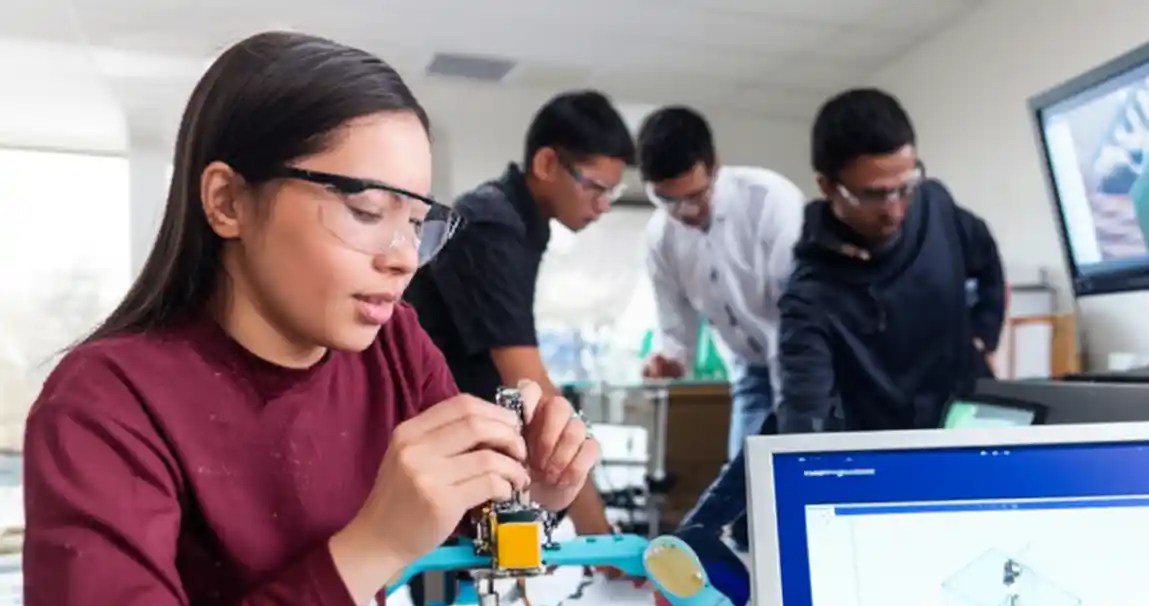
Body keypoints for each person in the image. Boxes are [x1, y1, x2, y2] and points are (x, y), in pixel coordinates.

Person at [21, 32, 598, 606]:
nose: (403, 257)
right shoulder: (105, 404)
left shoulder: (392, 346)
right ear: (229, 201)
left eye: (417, 222)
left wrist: (531, 490)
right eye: (365, 211)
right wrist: (370, 547)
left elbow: (458, 529)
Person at [677, 87, 1006, 547]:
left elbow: (986, 257)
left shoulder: (935, 204)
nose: (895, 208)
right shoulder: (810, 297)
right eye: (874, 195)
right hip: (893, 479)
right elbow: (799, 425)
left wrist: (983, 335)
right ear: (828, 186)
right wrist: (704, 527)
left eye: (904, 185)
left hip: (971, 435)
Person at [405, 90, 634, 539]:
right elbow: (527, 382)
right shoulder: (492, 228)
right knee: (456, 593)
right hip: (437, 438)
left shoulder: (524, 225)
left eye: (613, 192)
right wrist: (599, 534)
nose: (603, 205)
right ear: (547, 164)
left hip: (463, 437)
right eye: (595, 187)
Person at [636, 106, 805, 550]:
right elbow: (675, 327)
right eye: (666, 200)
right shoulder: (661, 237)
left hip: (802, 365)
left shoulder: (770, 200)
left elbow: (802, 310)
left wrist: (794, 396)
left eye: (694, 196)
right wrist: (669, 358)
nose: (684, 211)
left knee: (794, 488)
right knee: (744, 502)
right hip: (749, 370)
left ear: (715, 167)